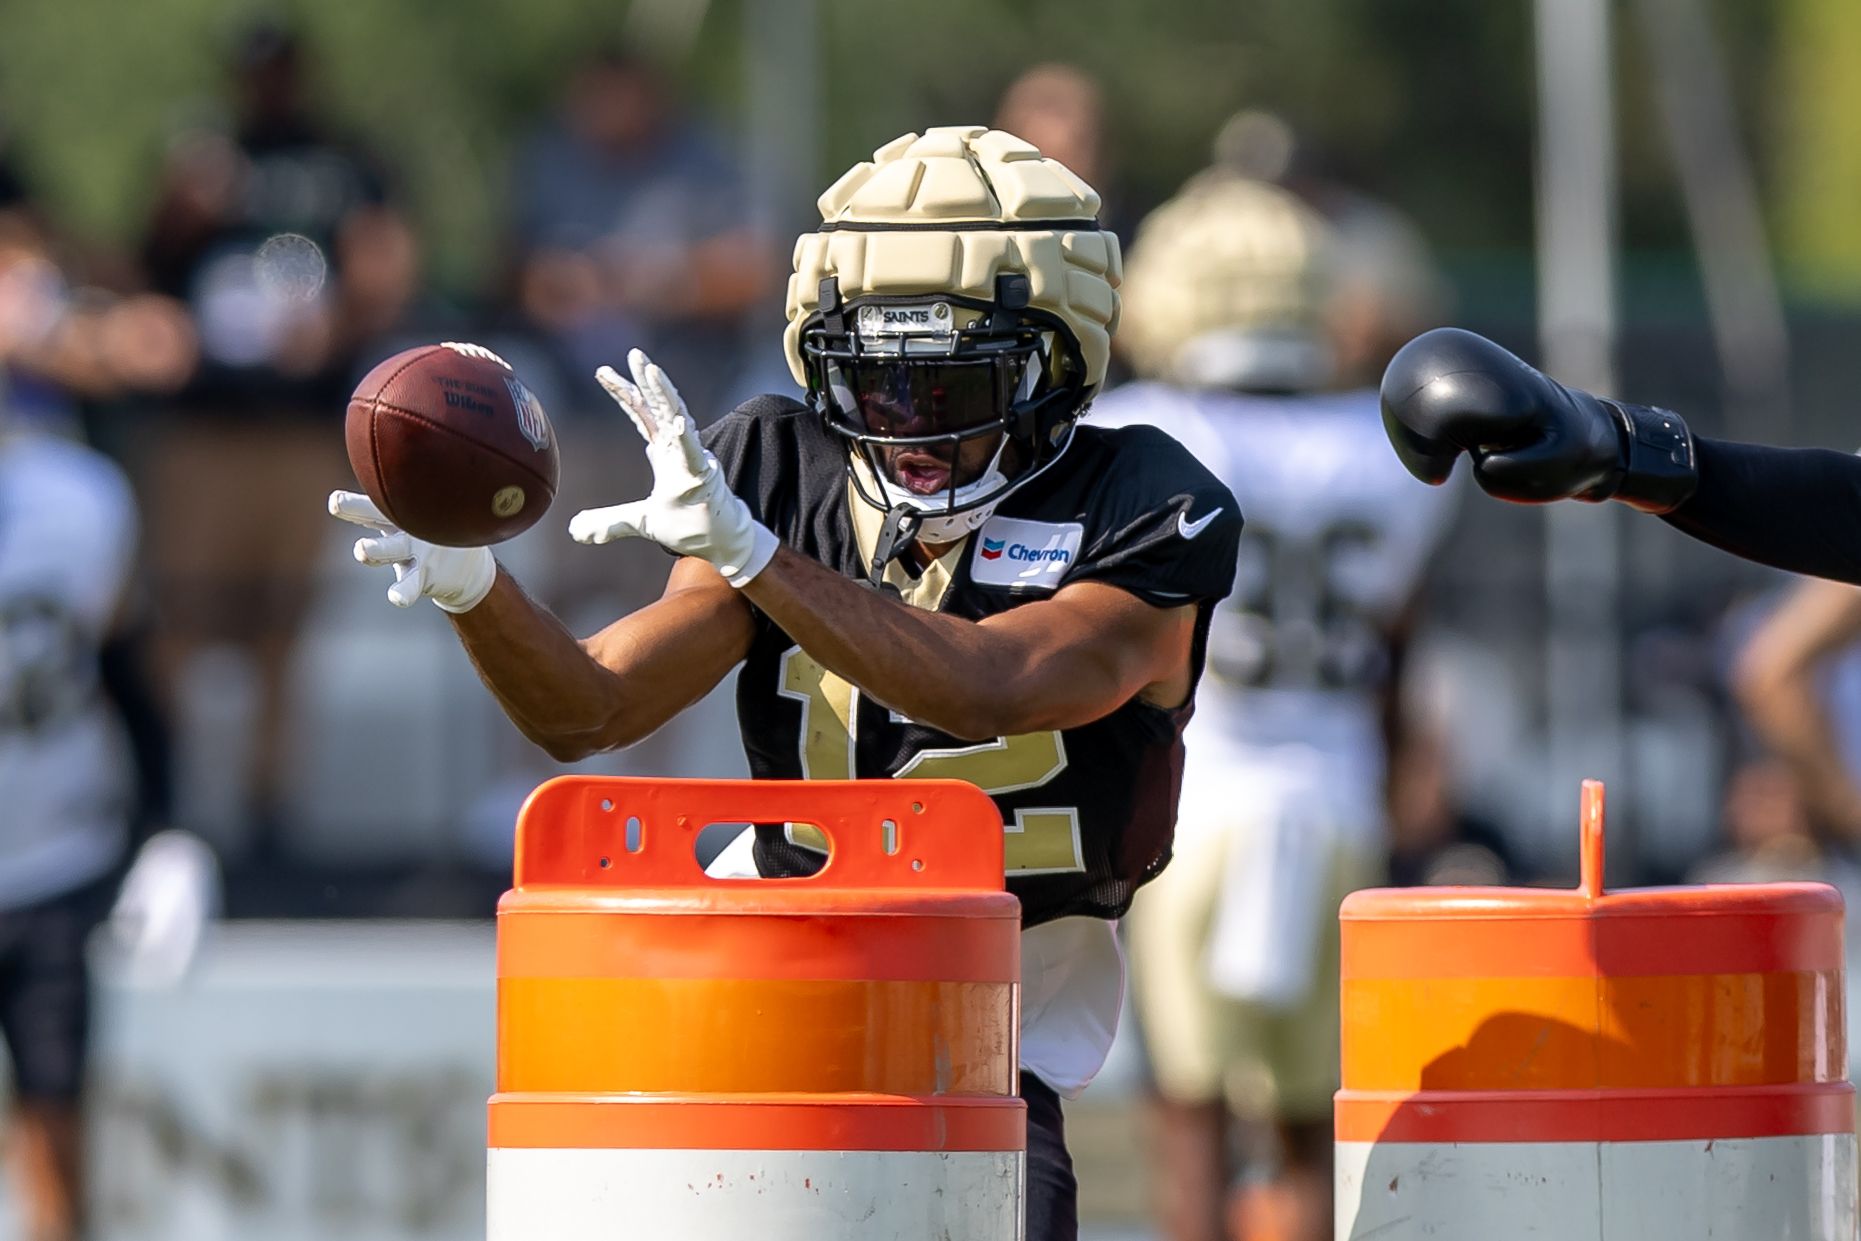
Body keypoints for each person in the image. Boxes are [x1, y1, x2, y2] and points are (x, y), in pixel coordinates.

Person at [328, 126, 1241, 1241]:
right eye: (874, 379)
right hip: (771, 955)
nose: (907, 422)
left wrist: (760, 559)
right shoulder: (779, 469)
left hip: (997, 999)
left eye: (952, 380)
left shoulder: (1142, 498)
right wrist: (476, 584)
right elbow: (591, 707)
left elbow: (993, 686)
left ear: (1057, 363)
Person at [1091, 174, 1455, 1241]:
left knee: (1190, 1112)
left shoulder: (1143, 426)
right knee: (1311, 1120)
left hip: (1195, 802)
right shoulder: (1390, 451)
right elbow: (1395, 649)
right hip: (1338, 798)